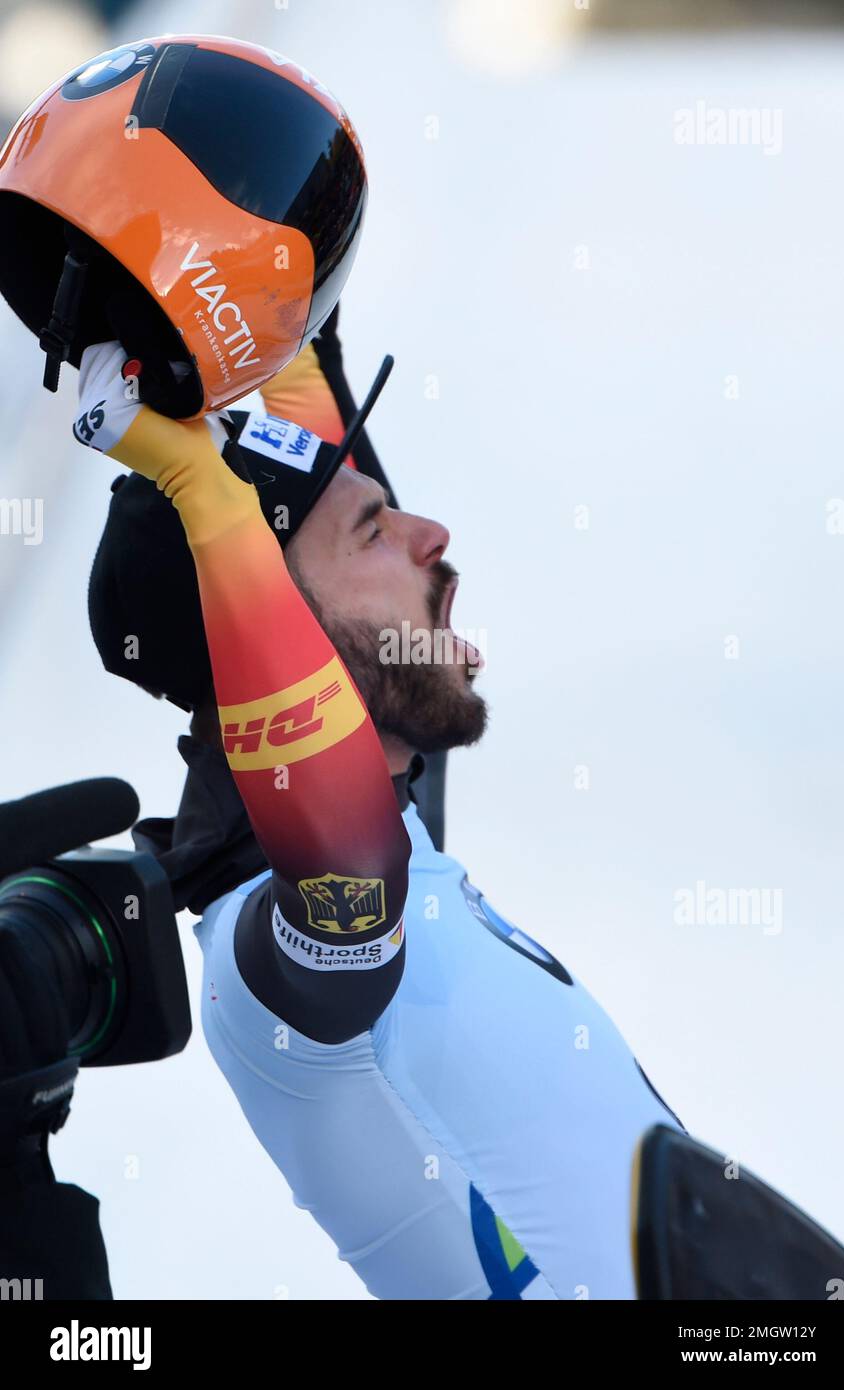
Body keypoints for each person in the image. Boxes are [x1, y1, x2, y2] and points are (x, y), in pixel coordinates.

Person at [80, 315, 684, 1301]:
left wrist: (286, 319)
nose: (430, 533)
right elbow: (346, 872)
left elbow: (321, 457)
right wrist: (199, 488)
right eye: (374, 531)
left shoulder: (397, 827)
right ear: (276, 632)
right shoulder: (267, 949)